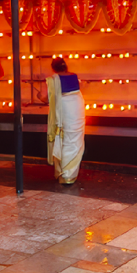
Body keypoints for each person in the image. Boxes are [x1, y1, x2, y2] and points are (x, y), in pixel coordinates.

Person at [37, 57, 86, 185]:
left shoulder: (53, 80)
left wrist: (39, 97)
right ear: (65, 66)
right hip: (77, 106)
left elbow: (47, 99)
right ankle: (69, 175)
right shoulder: (74, 76)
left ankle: (63, 173)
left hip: (63, 108)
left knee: (62, 137)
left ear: (53, 68)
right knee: (75, 138)